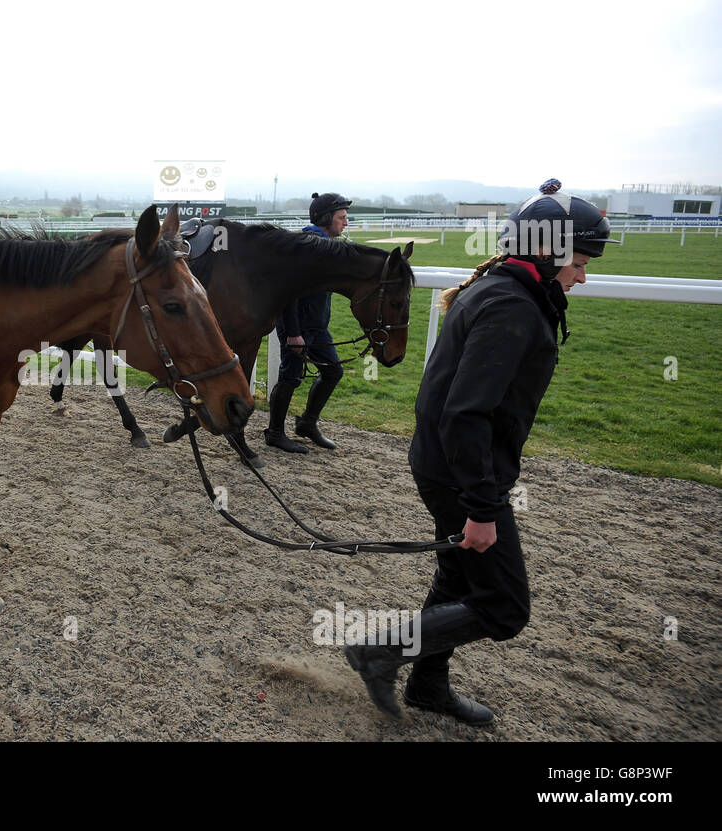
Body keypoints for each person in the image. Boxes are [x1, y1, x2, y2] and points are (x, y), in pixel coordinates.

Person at [343, 180, 618, 726]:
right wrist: (482, 508)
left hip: (446, 462)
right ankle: (380, 651)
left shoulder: (500, 289)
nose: (583, 275)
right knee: (504, 606)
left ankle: (427, 684)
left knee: (458, 577)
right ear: (549, 253)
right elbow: (468, 413)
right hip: (460, 471)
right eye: (580, 263)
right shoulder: (510, 307)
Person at [264, 191, 351, 454]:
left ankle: (306, 424)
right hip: (296, 328)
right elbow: (288, 291)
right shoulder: (307, 245)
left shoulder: (325, 245)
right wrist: (293, 334)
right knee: (290, 377)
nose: (346, 223)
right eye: (342, 218)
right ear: (326, 218)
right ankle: (275, 432)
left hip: (317, 328)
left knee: (333, 371)